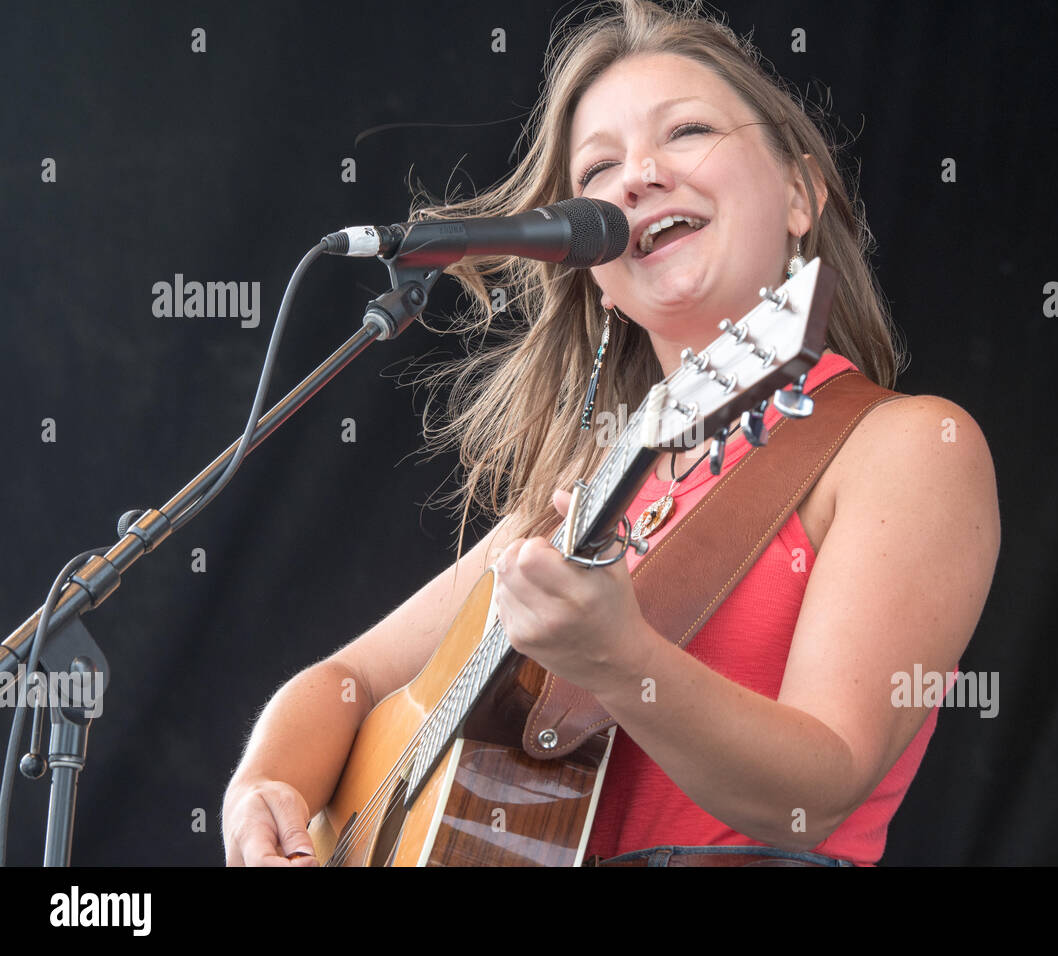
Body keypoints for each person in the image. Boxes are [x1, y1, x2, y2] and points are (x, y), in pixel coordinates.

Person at [221, 0, 1000, 867]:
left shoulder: (908, 448)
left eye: (688, 130)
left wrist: (620, 656)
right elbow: (345, 682)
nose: (635, 179)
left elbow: (818, 792)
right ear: (596, 276)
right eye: (599, 169)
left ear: (801, 194)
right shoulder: (583, 498)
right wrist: (264, 789)